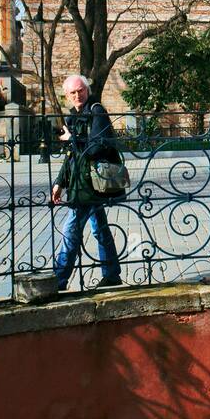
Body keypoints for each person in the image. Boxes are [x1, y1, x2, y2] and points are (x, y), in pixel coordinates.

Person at [51, 74, 123, 290]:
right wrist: (59, 183)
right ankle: (111, 274)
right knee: (99, 228)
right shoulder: (73, 117)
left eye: (80, 90)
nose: (77, 95)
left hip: (91, 183)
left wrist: (71, 139)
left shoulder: (96, 111)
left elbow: (99, 145)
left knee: (71, 229)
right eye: (72, 92)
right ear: (67, 96)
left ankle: (60, 279)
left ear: (87, 90)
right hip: (80, 182)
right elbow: (72, 156)